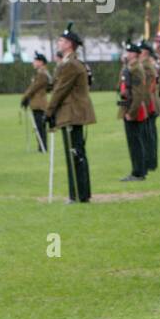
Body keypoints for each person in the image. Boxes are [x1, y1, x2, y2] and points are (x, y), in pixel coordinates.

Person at [47, 23, 96, 203]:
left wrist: (49, 111)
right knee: (77, 154)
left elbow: (60, 90)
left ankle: (77, 194)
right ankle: (80, 193)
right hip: (72, 112)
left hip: (71, 113)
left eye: (61, 40)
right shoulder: (72, 63)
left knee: (74, 154)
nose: (59, 43)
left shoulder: (71, 65)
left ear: (69, 44)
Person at [118, 43, 147, 181]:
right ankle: (137, 170)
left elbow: (138, 93)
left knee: (135, 142)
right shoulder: (130, 67)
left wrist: (132, 112)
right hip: (129, 107)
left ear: (136, 54)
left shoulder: (136, 69)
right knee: (133, 142)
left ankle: (138, 172)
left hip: (134, 109)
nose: (127, 54)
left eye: (130, 52)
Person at [20, 52, 52, 152]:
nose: (33, 63)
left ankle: (42, 147)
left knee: (40, 127)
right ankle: (41, 146)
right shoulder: (42, 73)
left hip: (39, 104)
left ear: (41, 62)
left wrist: (25, 98)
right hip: (38, 103)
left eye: (35, 61)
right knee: (39, 127)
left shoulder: (42, 74)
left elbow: (33, 88)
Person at [140, 42, 160, 172]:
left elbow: (149, 87)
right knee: (149, 134)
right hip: (150, 102)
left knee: (149, 134)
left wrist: (146, 105)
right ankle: (150, 161)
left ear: (145, 52)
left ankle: (150, 162)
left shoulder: (146, 66)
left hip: (149, 103)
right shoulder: (146, 65)